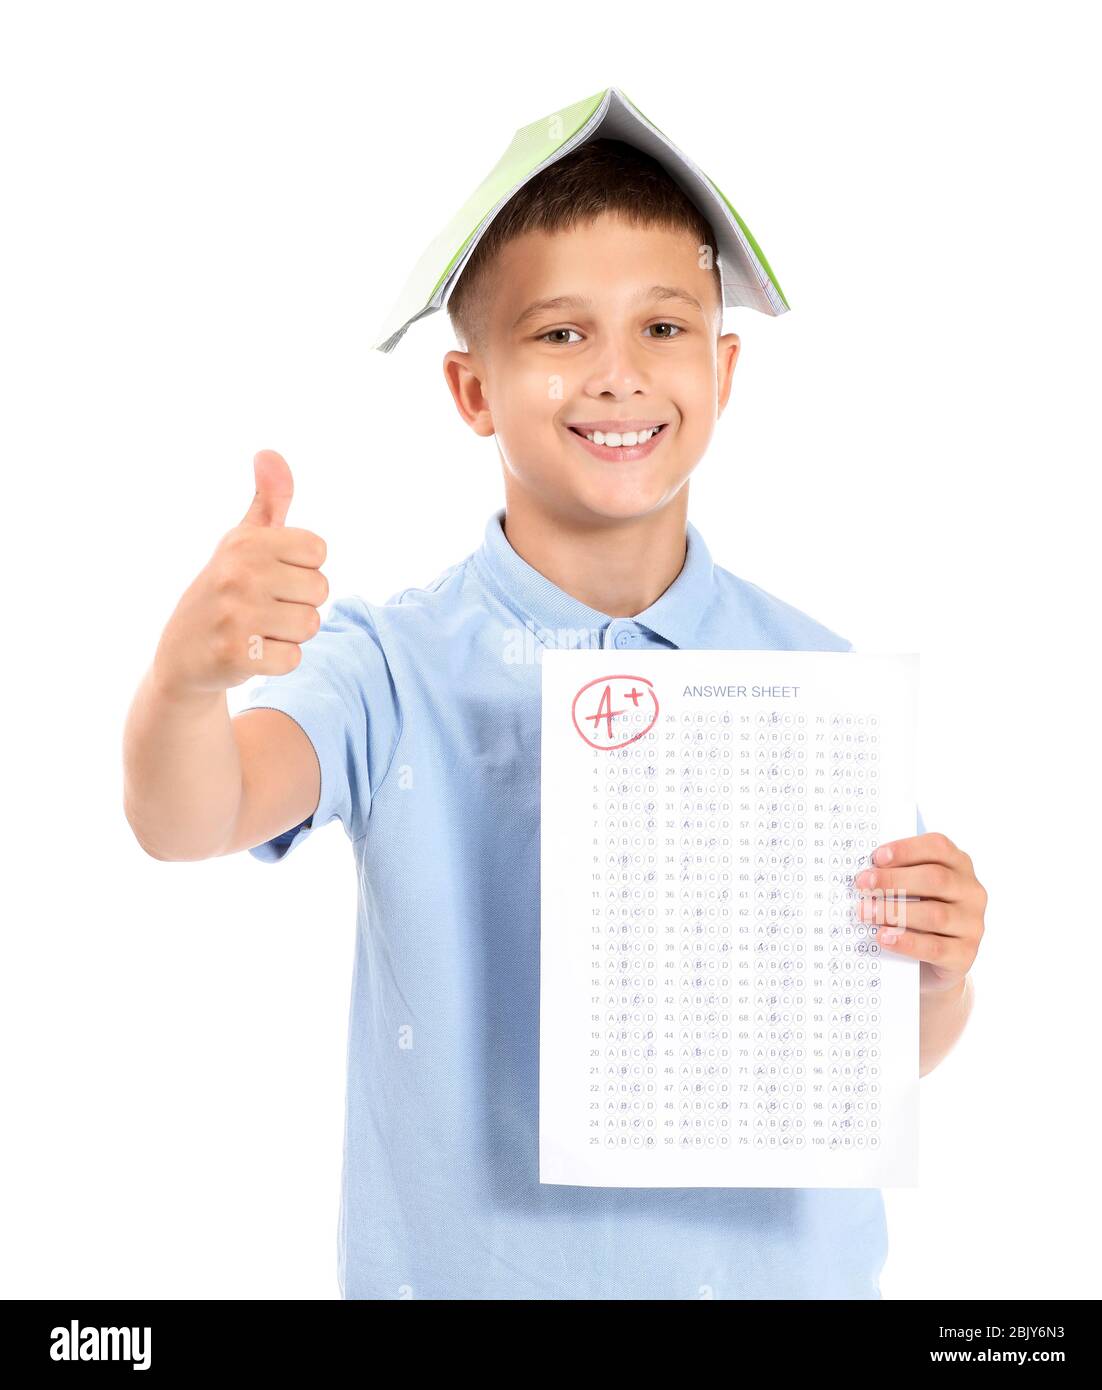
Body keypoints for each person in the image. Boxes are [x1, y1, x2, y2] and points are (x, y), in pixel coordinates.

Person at [122, 136, 986, 1299]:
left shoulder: (814, 682)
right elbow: (193, 813)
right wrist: (183, 684)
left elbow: (865, 1059)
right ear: (472, 388)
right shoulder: (388, 665)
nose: (618, 374)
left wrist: (933, 982)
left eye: (663, 328)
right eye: (560, 332)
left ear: (724, 373)